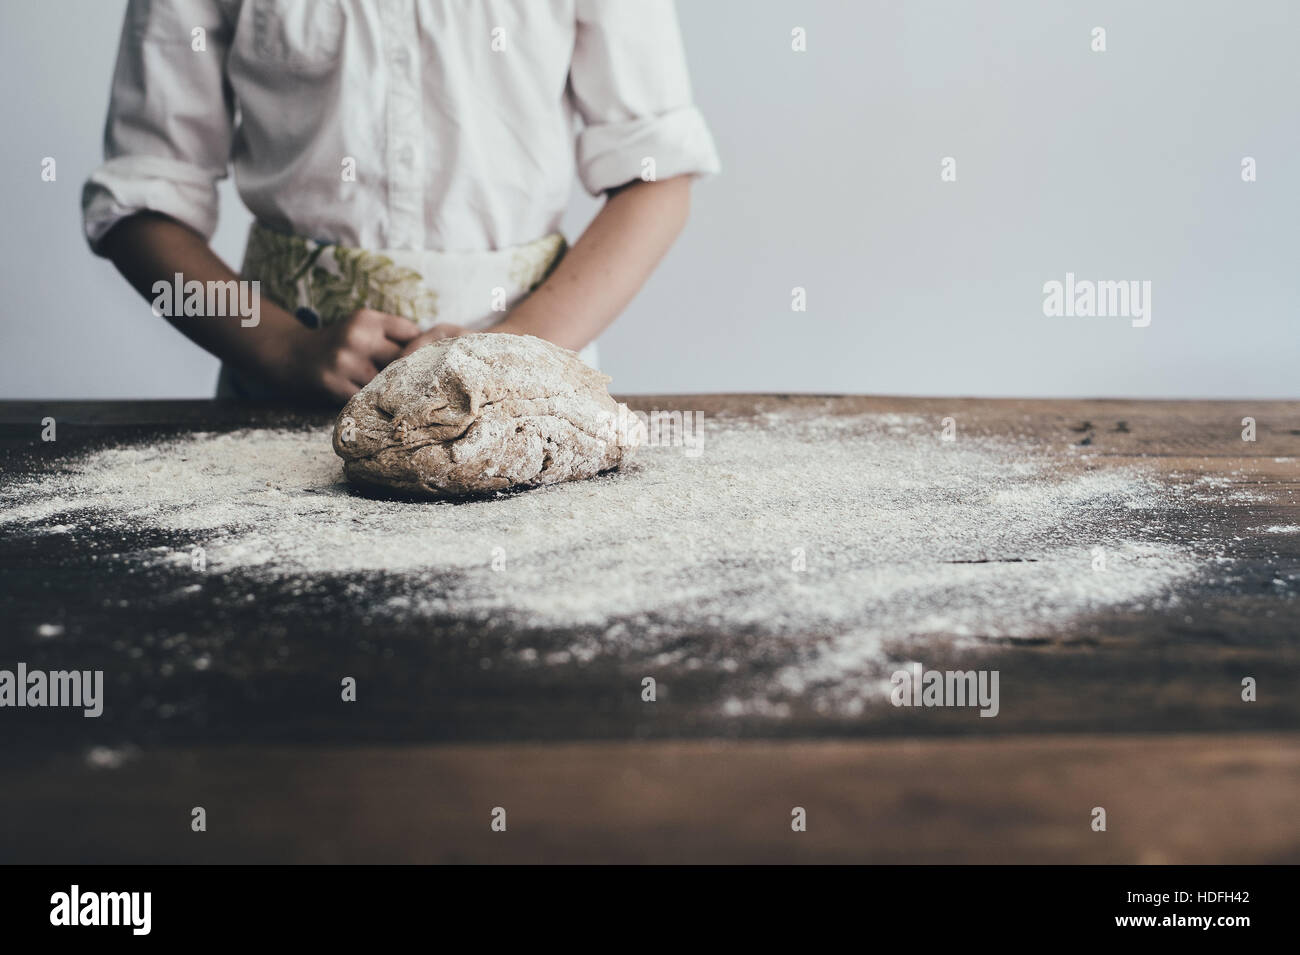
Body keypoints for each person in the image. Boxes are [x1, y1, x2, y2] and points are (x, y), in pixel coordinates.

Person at [84, 0, 719, 403]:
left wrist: (513, 353)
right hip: (281, 400)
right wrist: (281, 348)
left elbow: (655, 176)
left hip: (532, 394)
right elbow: (143, 200)